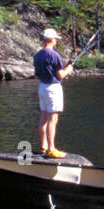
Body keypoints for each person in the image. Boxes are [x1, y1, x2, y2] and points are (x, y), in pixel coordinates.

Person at [32, 28, 74, 158]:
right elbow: (60, 75)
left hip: (42, 88)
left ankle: (43, 146)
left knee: (43, 117)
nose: (56, 41)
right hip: (53, 89)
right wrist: (69, 69)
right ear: (51, 39)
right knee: (52, 120)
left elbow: (37, 75)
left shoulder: (37, 55)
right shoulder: (54, 55)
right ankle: (51, 149)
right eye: (55, 39)